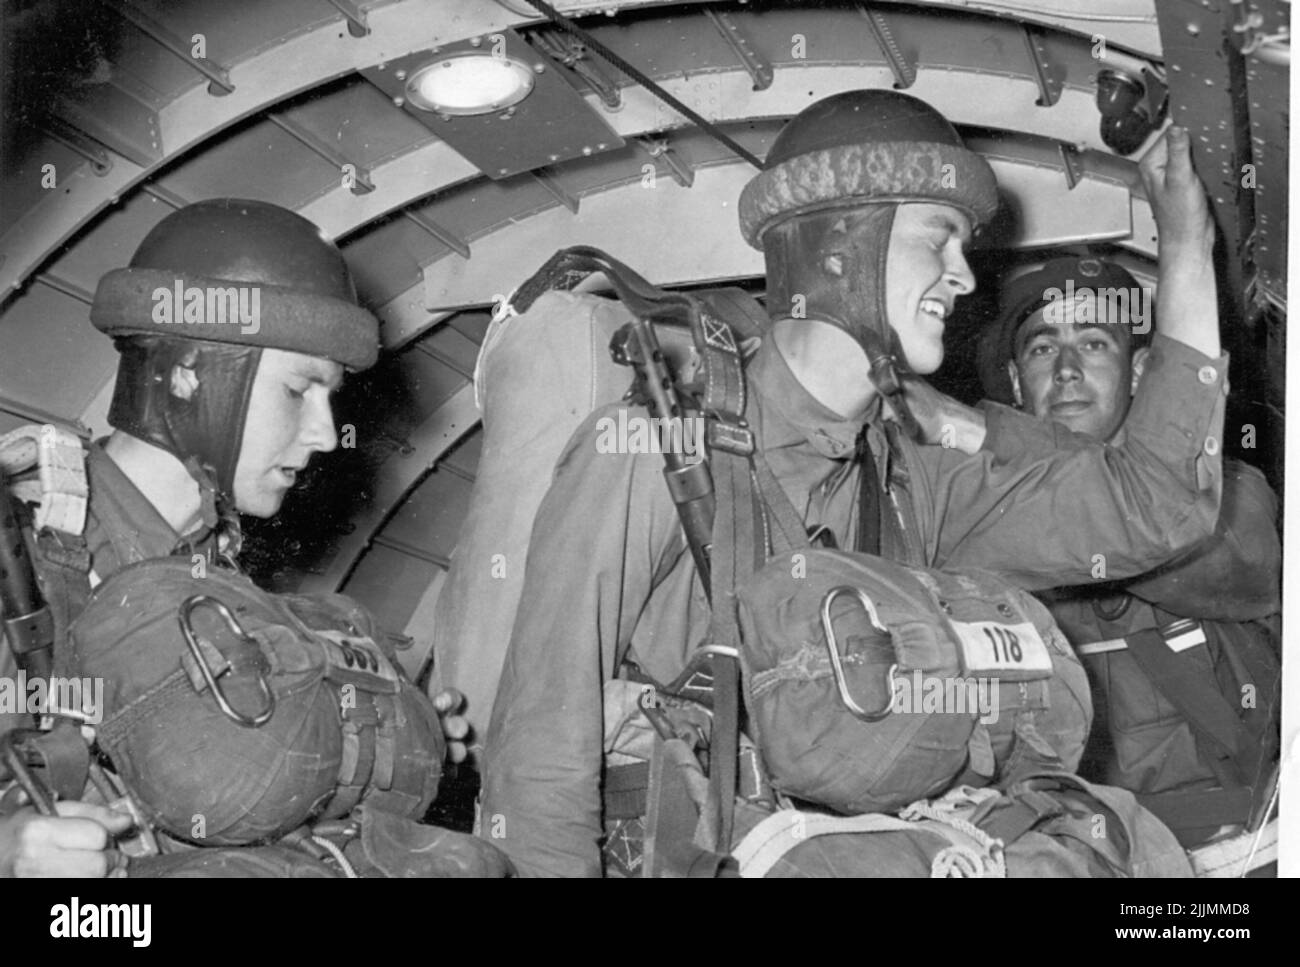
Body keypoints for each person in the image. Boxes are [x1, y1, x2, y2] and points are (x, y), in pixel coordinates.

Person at [480, 90, 1230, 877]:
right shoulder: (658, 450)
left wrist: (1186, 244)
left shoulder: (913, 475)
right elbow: (540, 761)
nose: (964, 277)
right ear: (841, 245)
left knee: (1110, 836)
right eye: (939, 239)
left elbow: (1158, 503)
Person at [0, 199, 504, 877]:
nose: (326, 433)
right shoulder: (22, 563)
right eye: (300, 390)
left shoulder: (222, 584)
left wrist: (385, 738)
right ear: (189, 376)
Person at [977, 254, 1280, 847]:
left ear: (1141, 372)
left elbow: (1239, 565)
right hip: (1063, 850)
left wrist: (992, 439)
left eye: (1093, 344)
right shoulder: (975, 513)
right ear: (1015, 382)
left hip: (1233, 847)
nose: (1066, 370)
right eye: (1042, 349)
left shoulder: (1227, 494)